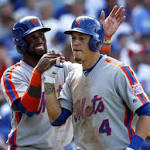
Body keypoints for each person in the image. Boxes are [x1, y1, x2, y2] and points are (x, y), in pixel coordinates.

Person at [0, 5, 125, 150]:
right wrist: (38, 73)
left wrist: (105, 40)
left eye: (41, 35)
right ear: (21, 44)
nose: (39, 39)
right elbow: (29, 108)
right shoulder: (13, 74)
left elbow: (97, 73)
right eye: (32, 37)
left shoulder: (63, 67)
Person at [43, 15, 150, 150]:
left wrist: (133, 147)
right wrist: (48, 82)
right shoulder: (72, 77)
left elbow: (146, 112)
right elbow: (56, 119)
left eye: (81, 38)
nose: (75, 43)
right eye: (73, 38)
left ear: (95, 42)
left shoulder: (119, 70)